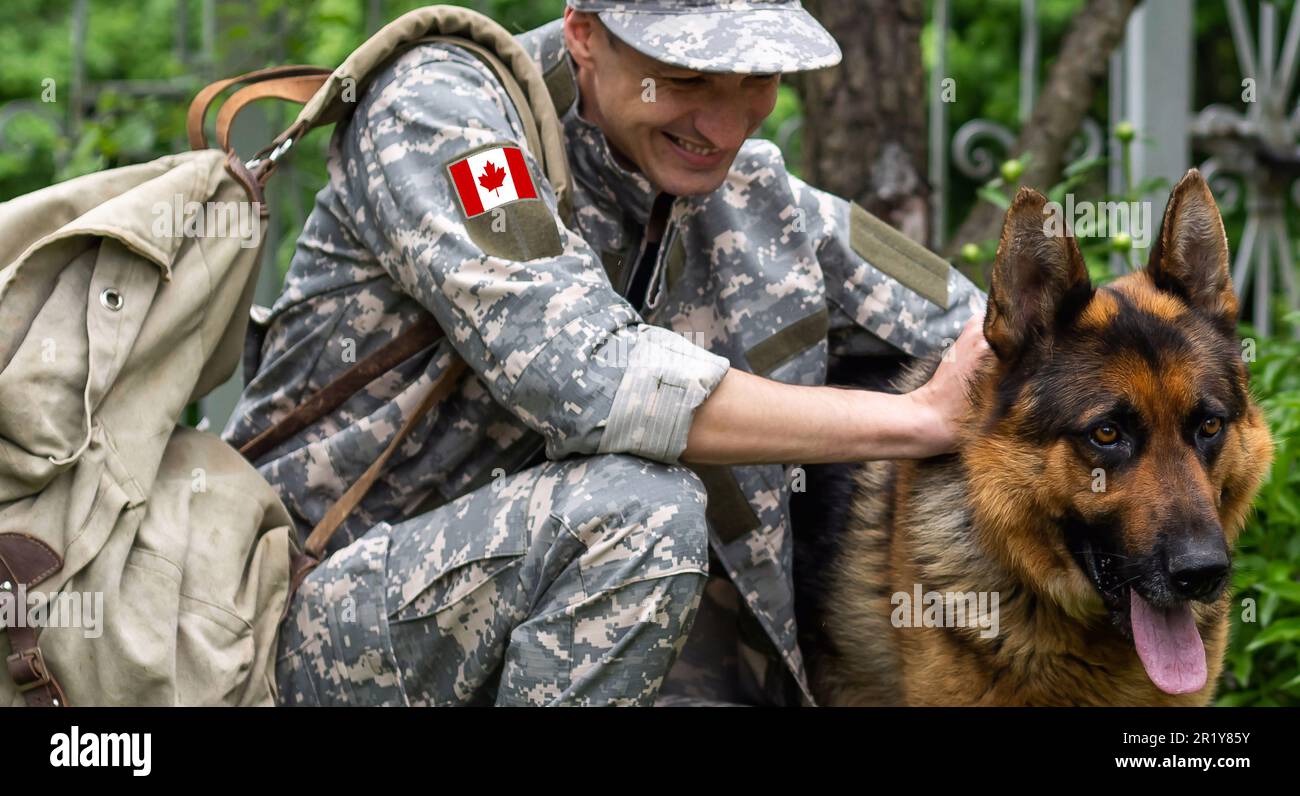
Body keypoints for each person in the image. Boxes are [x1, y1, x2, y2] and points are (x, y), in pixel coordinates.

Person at [224, 0, 989, 706]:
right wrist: (917, 418)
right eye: (686, 77)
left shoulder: (753, 195)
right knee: (639, 514)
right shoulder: (443, 113)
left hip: (539, 618)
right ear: (584, 33)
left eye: (757, 80)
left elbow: (989, 329)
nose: (725, 127)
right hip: (305, 612)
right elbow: (587, 380)